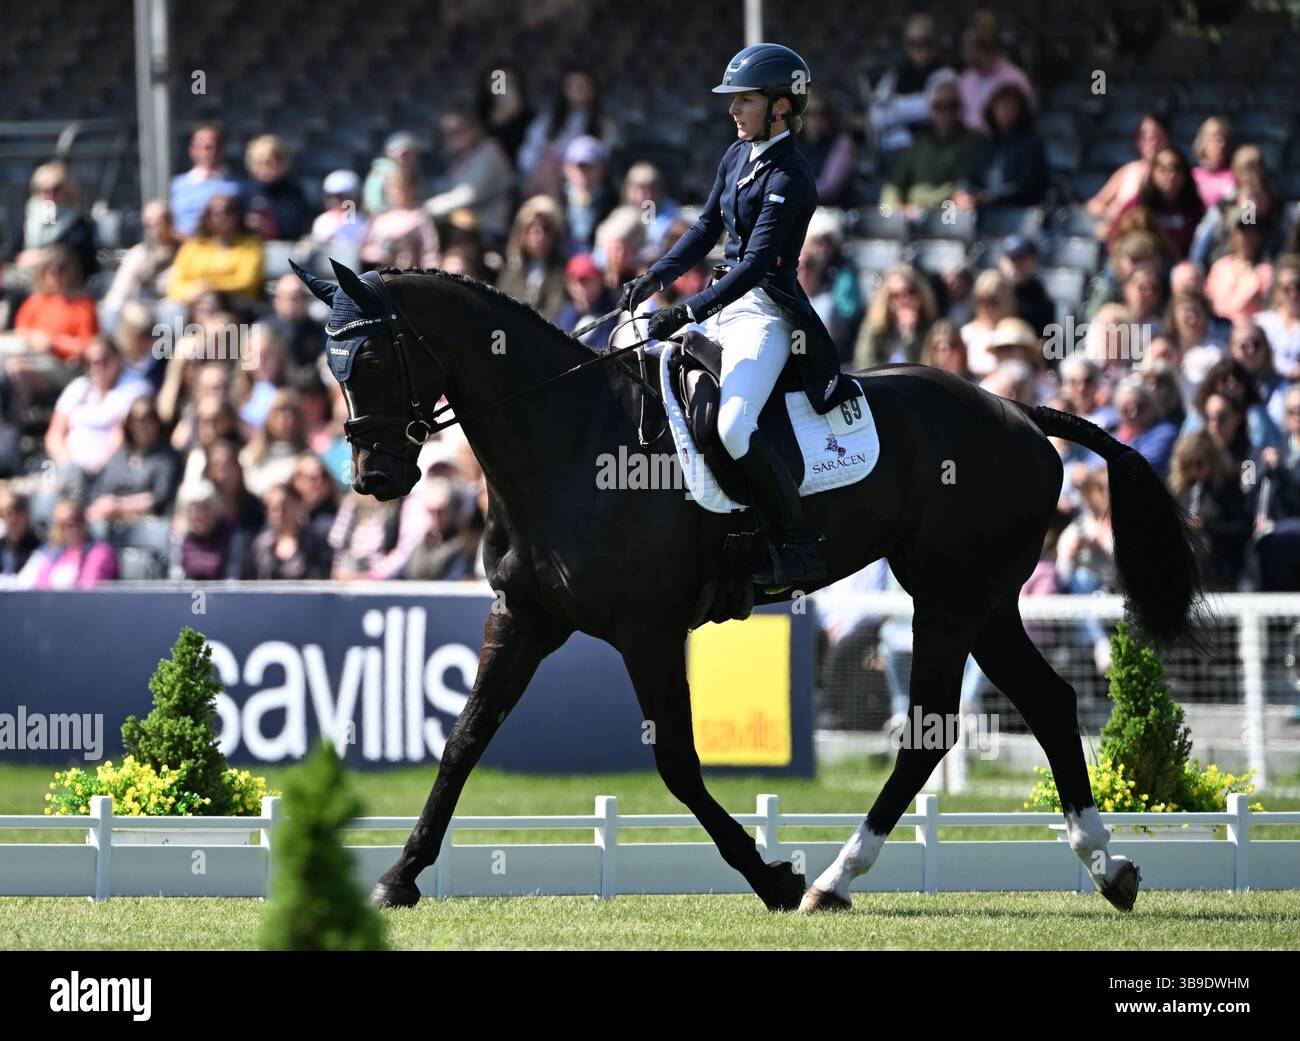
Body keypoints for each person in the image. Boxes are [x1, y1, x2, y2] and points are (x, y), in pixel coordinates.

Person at [621, 44, 859, 589]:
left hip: (765, 311)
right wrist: (653, 280)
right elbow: (705, 229)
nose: (732, 110)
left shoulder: (791, 173)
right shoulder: (736, 155)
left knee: (732, 426)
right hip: (720, 301)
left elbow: (755, 266)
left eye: (743, 100)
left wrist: (686, 309)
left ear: (779, 107)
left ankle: (797, 545)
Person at [44, 337, 150, 487]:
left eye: (104, 360)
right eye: (91, 361)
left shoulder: (134, 389)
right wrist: (69, 466)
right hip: (68, 470)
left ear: (118, 358)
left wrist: (95, 467)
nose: (98, 366)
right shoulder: (78, 387)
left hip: (111, 471)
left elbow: (122, 435)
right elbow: (54, 434)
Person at [879, 71, 982, 217]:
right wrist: (896, 211)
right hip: (914, 223)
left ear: (961, 107)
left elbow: (967, 188)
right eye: (940, 106)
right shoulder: (917, 145)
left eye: (953, 106)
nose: (947, 114)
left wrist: (924, 205)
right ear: (930, 108)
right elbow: (893, 187)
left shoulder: (976, 142)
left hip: (953, 218)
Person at [423, 105, 516, 246]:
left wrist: (423, 209)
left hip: (487, 234)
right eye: (446, 133)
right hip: (463, 230)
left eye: (456, 131)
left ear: (474, 129)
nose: (450, 138)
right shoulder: (461, 159)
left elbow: (468, 195)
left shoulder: (490, 154)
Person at [85, 394, 181, 524]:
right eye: (137, 421)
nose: (143, 427)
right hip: (108, 523)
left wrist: (120, 506)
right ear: (129, 425)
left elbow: (160, 498)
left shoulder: (167, 457)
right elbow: (99, 490)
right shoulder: (120, 455)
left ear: (157, 423)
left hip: (147, 523)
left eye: (149, 421)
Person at [868, 13, 954, 156]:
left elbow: (929, 107)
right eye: (913, 43)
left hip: (931, 150)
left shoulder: (945, 73)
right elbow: (875, 115)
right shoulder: (895, 74)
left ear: (935, 43)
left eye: (926, 42)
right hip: (892, 149)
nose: (920, 49)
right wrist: (911, 107)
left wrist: (893, 105)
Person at [955, 82, 1047, 209]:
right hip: (984, 213)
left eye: (1011, 105)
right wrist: (963, 193)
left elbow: (1028, 188)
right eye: (1000, 106)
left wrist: (990, 198)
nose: (1005, 111)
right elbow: (973, 178)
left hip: (1018, 214)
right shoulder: (987, 145)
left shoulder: (1031, 145)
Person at [1110, 147, 1205, 260]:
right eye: (1163, 169)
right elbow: (1115, 237)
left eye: (1176, 169)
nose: (1170, 175)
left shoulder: (1194, 207)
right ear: (1153, 173)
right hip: (1139, 262)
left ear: (1184, 174)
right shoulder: (1138, 203)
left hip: (1178, 265)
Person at [1085, 115, 1170, 240]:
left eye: (1156, 136)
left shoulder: (1174, 172)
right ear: (1138, 141)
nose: (1152, 141)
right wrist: (1109, 213)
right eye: (1144, 136)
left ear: (1166, 138)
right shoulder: (1128, 171)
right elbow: (1094, 204)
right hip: (1123, 237)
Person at [167, 194, 264, 302]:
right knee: (174, 311)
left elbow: (247, 281)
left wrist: (210, 286)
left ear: (237, 215)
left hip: (234, 302)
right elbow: (176, 282)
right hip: (194, 301)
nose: (222, 216)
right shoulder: (193, 246)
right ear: (207, 217)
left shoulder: (251, 244)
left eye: (228, 211)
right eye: (215, 213)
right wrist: (189, 292)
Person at [14, 161, 99, 279]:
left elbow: (80, 258)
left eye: (56, 189)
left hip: (64, 284)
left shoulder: (79, 223)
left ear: (67, 190)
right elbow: (14, 252)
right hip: (27, 279)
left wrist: (42, 258)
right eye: (44, 190)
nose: (50, 195)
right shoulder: (28, 218)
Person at [957, 11, 1035, 132]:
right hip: (970, 143)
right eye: (971, 62)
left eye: (978, 61)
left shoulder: (1014, 79)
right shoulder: (966, 78)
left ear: (992, 52)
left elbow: (1025, 122)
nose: (975, 67)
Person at [497, 195, 569, 320]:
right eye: (532, 228)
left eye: (546, 228)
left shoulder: (562, 272)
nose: (538, 235)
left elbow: (555, 310)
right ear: (522, 232)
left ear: (555, 235)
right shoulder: (512, 270)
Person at [853, 264, 937, 369]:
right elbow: (865, 362)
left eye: (910, 291)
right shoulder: (874, 324)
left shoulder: (930, 326)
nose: (905, 299)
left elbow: (927, 367)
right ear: (887, 299)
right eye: (896, 295)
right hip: (879, 382)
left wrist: (909, 335)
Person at [244, 482, 332, 580]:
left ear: (298, 506)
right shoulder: (261, 545)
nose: (280, 513)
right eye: (273, 509)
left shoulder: (315, 543)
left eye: (284, 507)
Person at [26, 497, 118, 589]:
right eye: (60, 524)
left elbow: (89, 591)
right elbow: (41, 586)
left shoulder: (100, 553)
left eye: (71, 523)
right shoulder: (54, 553)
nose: (66, 529)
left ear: (83, 521)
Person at [169, 123, 242, 238]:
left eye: (216, 146)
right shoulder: (177, 185)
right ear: (193, 149)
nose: (211, 152)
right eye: (206, 147)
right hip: (185, 249)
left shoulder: (237, 186)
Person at [359, 168, 440, 270]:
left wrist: (431, 276)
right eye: (396, 188)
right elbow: (363, 249)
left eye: (405, 188)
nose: (401, 192)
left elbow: (430, 252)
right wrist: (378, 255)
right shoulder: (379, 217)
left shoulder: (420, 217)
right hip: (377, 274)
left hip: (406, 276)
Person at [1204, 207, 1274, 323]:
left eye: (1255, 229)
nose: (1250, 235)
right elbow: (1208, 302)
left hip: (1248, 332)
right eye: (1244, 229)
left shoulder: (1266, 271)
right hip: (1218, 330)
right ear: (1232, 234)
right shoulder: (1219, 267)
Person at [240, 135, 312, 241]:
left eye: (277, 158)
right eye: (266, 162)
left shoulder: (293, 193)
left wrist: (269, 226)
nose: (273, 164)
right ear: (254, 163)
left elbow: (295, 228)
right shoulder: (245, 192)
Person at [1255, 253, 1300, 383]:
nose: (1293, 293)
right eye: (1286, 288)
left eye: (1298, 286)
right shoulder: (1262, 323)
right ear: (1278, 290)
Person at [998, 234, 1054, 336]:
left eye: (1023, 260)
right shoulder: (993, 292)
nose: (1017, 265)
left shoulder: (1039, 299)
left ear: (1033, 262)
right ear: (1002, 262)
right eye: (1013, 260)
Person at [311, 170, 368, 250]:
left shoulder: (362, 222)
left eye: (340, 196)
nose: (335, 200)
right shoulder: (322, 221)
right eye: (330, 196)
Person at [1191, 117, 1234, 210]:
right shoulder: (1191, 177)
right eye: (1216, 139)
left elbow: (1249, 215)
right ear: (1203, 142)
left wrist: (1248, 223)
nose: (1222, 144)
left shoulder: (1236, 176)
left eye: (1225, 139)